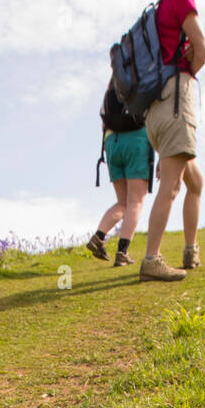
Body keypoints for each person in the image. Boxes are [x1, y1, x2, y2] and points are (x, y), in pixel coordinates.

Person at [139, 0, 205, 283]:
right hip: (176, 99)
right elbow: (201, 46)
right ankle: (151, 259)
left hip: (154, 110)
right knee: (172, 186)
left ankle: (190, 251)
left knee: (194, 179)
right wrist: (192, 71)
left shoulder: (158, 6)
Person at [87, 79, 153, 267]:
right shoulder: (143, 83)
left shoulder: (111, 90)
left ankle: (99, 236)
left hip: (111, 144)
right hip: (137, 139)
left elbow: (103, 122)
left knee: (123, 202)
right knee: (136, 202)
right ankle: (122, 252)